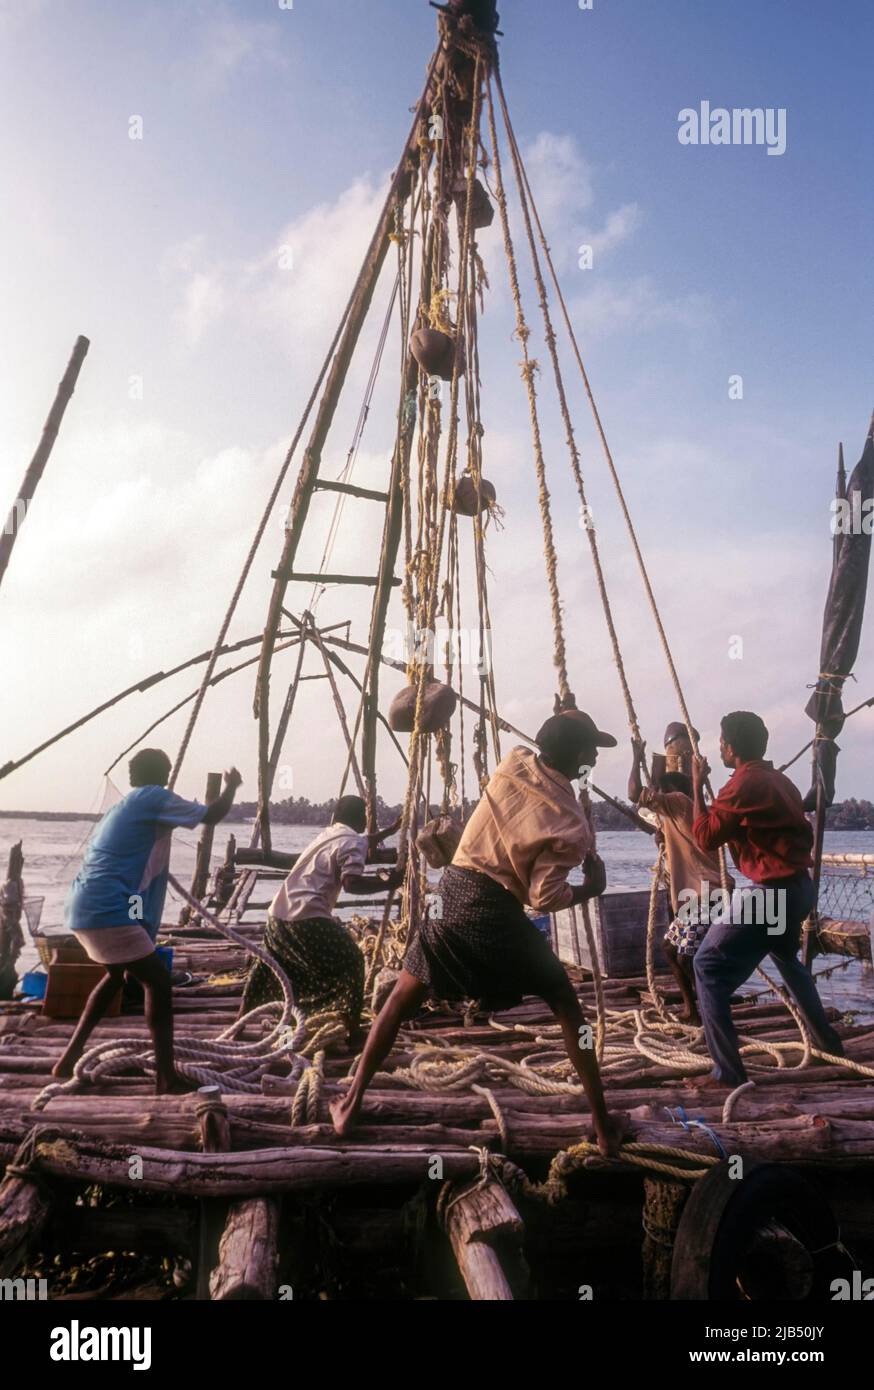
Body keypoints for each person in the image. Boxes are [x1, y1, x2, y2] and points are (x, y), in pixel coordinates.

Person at [331, 711, 623, 1157]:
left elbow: (543, 756)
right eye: (592, 752)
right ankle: (604, 1128)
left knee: (401, 996)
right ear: (580, 755)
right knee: (565, 1004)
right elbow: (544, 897)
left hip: (451, 890)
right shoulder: (572, 825)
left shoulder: (511, 763)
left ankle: (350, 1105)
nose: (596, 759)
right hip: (492, 908)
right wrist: (590, 889)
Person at [54, 749, 241, 1092]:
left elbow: (137, 887)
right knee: (156, 982)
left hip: (84, 906)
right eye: (168, 771)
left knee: (115, 976)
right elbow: (211, 815)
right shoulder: (154, 798)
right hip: (106, 907)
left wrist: (140, 927)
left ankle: (67, 1058)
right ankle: (165, 1077)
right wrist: (231, 787)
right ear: (164, 773)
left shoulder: (125, 809)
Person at [690, 710, 845, 1089]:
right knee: (786, 959)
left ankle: (727, 1074)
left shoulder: (743, 783)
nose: (720, 747)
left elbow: (705, 837)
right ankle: (831, 1045)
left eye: (723, 741)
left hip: (772, 894)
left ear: (733, 747)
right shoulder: (780, 781)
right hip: (799, 889)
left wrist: (697, 786)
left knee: (707, 967)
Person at [240, 795, 402, 1048]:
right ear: (361, 818)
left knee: (272, 964)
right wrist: (387, 883)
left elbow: (361, 842)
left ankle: (242, 1018)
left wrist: (389, 832)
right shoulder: (352, 842)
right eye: (366, 817)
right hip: (307, 917)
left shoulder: (329, 834)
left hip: (277, 914)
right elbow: (352, 884)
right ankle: (351, 1027)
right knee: (353, 961)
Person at [628, 729, 733, 1023]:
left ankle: (712, 1010)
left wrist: (637, 756)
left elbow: (634, 793)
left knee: (688, 956)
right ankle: (693, 1009)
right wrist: (663, 836)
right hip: (698, 894)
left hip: (705, 893)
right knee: (670, 949)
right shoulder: (686, 812)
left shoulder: (677, 802)